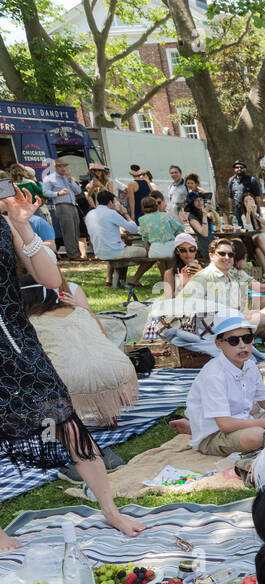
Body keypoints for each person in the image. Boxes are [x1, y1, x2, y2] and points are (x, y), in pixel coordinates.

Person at [0, 187, 145, 550]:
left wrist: (23, 226)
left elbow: (51, 280)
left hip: (17, 342)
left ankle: (110, 510)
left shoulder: (6, 223)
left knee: (66, 419)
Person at [184, 312, 265, 457]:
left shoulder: (250, 365)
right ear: (219, 344)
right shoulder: (214, 375)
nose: (242, 346)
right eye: (233, 341)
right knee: (255, 436)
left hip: (247, 421)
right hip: (215, 435)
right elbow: (225, 425)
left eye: (247, 339)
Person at [27, 281, 137, 426]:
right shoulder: (80, 311)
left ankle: (61, 426)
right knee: (87, 361)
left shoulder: (31, 322)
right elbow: (104, 337)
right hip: (118, 368)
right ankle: (109, 417)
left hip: (71, 379)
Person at [180, 236, 265, 340]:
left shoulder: (233, 274)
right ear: (211, 256)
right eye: (222, 254)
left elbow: (258, 288)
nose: (227, 257)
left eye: (230, 254)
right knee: (263, 320)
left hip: (238, 318)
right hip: (219, 327)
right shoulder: (203, 277)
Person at [84, 191, 152, 292]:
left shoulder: (90, 214)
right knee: (151, 252)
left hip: (99, 252)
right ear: (110, 202)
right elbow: (133, 228)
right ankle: (135, 279)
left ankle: (120, 280)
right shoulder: (111, 213)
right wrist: (125, 213)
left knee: (123, 248)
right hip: (114, 252)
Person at [42, 159, 84, 261]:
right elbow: (45, 192)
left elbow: (78, 191)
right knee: (68, 231)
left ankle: (76, 253)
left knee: (75, 231)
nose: (63, 168)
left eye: (64, 166)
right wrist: (57, 194)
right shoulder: (49, 179)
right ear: (55, 167)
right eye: (60, 166)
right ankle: (73, 255)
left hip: (73, 205)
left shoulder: (67, 178)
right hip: (62, 205)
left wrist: (70, 181)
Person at [138, 195, 187, 260]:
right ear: (156, 205)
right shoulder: (165, 215)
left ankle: (163, 270)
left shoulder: (142, 219)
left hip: (155, 250)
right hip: (171, 249)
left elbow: (144, 237)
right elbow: (179, 228)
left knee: (159, 259)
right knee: (171, 261)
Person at [160, 233, 202, 298]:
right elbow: (169, 299)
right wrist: (182, 285)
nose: (188, 254)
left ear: (196, 250)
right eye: (183, 250)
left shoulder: (203, 270)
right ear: (177, 252)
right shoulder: (169, 273)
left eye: (192, 249)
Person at [180, 193, 213, 261]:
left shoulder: (202, 213)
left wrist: (213, 210)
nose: (199, 202)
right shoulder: (192, 217)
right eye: (196, 200)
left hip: (212, 243)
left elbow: (218, 223)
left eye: (201, 200)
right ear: (192, 203)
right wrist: (204, 215)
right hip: (205, 246)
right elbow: (204, 233)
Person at [227, 161, 260, 227]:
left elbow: (257, 196)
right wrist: (230, 212)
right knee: (240, 228)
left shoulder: (251, 180)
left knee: (252, 227)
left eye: (241, 167)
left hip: (249, 209)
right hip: (237, 210)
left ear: (245, 169)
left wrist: (258, 210)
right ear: (234, 169)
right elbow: (230, 197)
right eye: (237, 167)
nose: (239, 168)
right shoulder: (231, 180)